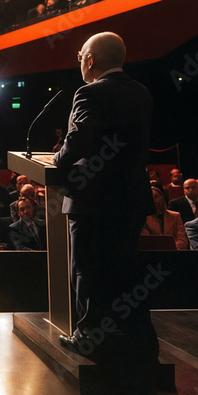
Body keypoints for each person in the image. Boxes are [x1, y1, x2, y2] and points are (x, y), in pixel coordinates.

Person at [53, 32, 159, 377]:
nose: (80, 62)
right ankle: (141, 339)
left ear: (90, 60)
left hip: (94, 198)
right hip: (132, 197)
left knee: (86, 268)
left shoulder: (90, 92)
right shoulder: (141, 91)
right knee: (126, 269)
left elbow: (80, 138)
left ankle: (88, 337)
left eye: (80, 56)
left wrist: (58, 159)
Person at [141, 186, 189, 250]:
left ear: (162, 198)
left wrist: (172, 250)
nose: (154, 201)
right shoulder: (144, 219)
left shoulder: (175, 216)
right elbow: (146, 241)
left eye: (156, 197)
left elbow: (182, 239)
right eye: (151, 198)